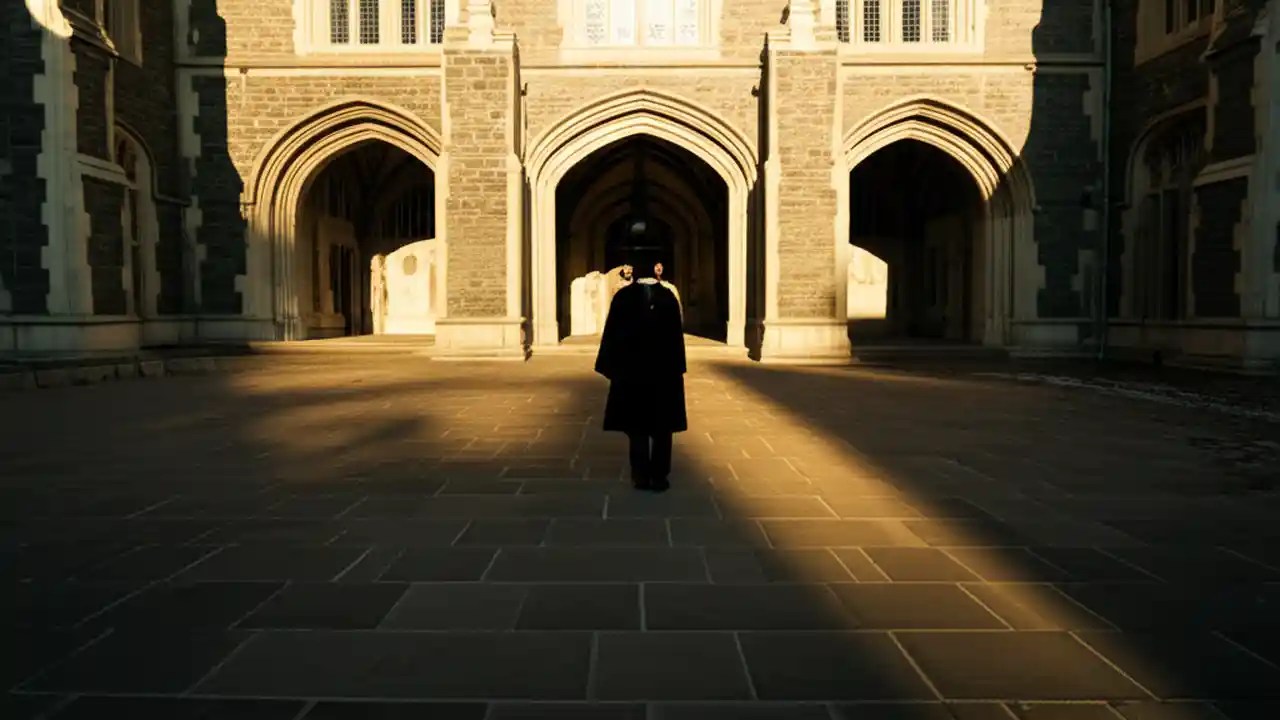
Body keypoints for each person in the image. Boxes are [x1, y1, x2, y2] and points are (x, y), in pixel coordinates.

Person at [594, 254, 688, 492]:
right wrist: (678, 368)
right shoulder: (667, 297)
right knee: (662, 427)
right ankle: (659, 476)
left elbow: (611, 334)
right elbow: (677, 338)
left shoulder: (624, 297)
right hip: (663, 373)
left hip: (632, 372)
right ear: (657, 269)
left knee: (636, 427)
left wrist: (609, 366)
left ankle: (640, 475)